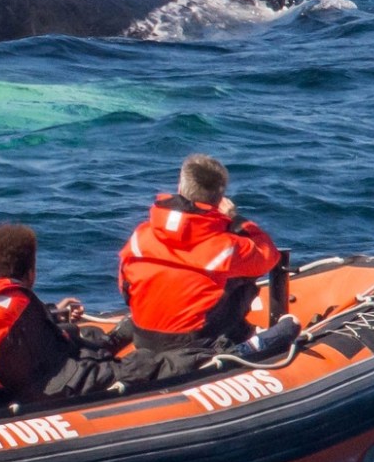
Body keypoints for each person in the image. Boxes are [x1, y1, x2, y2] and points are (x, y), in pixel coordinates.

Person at [116, 154, 281, 384]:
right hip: (195, 345)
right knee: (244, 280)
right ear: (220, 197)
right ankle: (240, 340)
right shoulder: (227, 246)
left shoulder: (140, 235)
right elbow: (269, 255)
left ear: (180, 186)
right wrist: (236, 219)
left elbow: (124, 289)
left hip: (145, 340)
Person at [0, 224, 109, 417]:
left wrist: (53, 312)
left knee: (92, 334)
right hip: (53, 383)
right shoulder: (2, 313)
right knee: (133, 368)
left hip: (51, 369)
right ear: (31, 273)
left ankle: (113, 340)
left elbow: (23, 323)